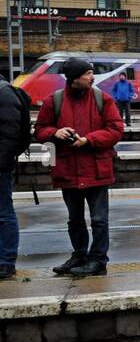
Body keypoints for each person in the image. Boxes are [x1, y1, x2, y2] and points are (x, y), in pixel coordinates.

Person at [32, 57, 124, 277]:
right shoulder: (53, 101)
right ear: (75, 79)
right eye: (88, 74)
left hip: (96, 169)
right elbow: (40, 129)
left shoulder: (103, 99)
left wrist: (89, 140)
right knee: (75, 219)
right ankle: (79, 255)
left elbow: (116, 129)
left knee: (100, 219)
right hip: (68, 169)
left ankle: (98, 260)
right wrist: (55, 133)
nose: (92, 77)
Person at [0, 73, 33, 281]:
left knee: (4, 214)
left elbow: (10, 134)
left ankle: (6, 261)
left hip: (0, 168)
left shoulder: (4, 94)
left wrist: (2, 164)